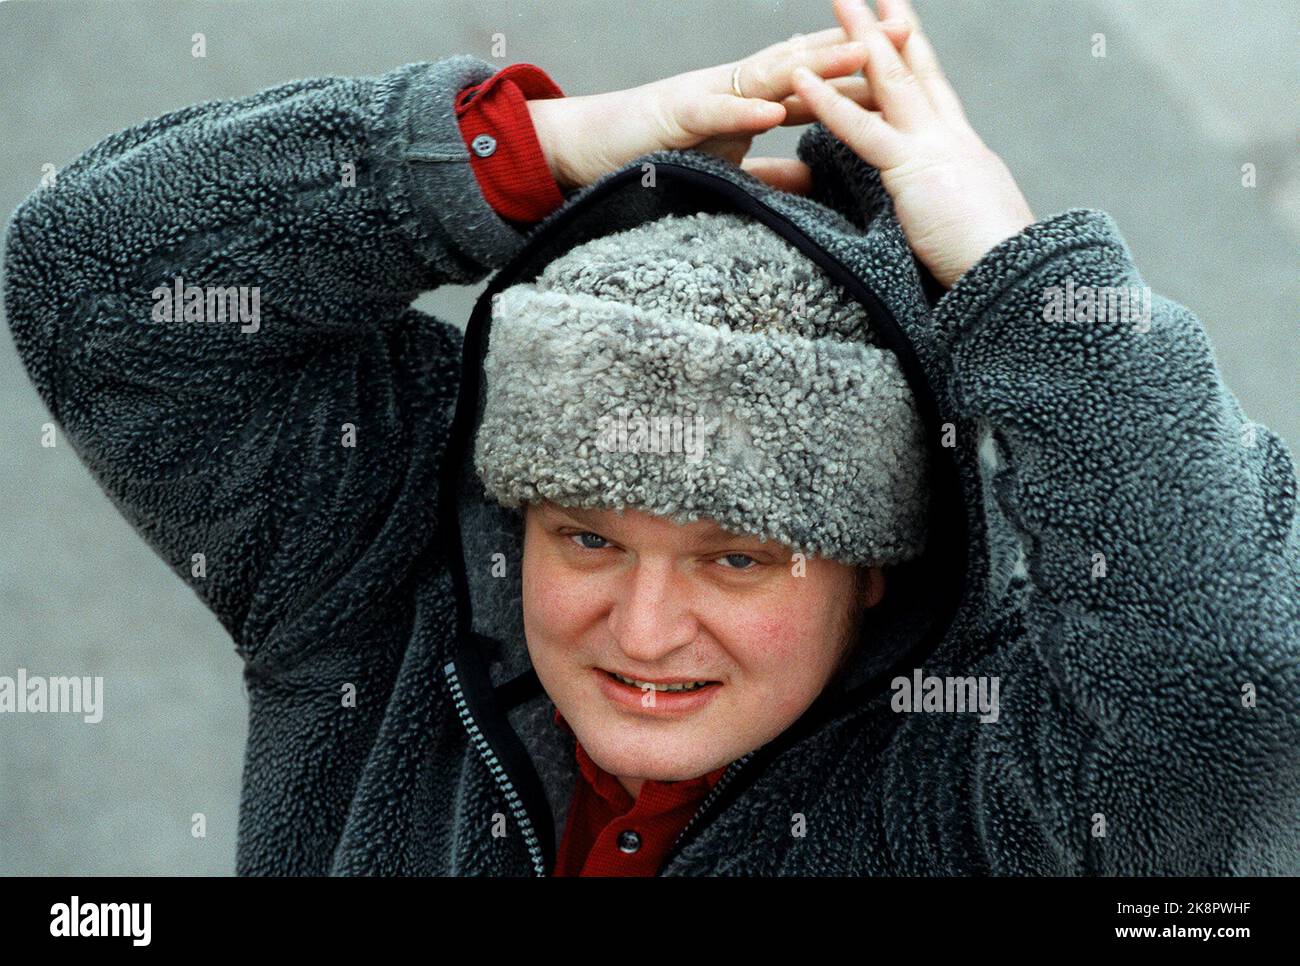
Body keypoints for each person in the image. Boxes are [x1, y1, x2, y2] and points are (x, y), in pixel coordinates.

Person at [4, 0, 1297, 877]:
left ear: (874, 567)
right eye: (586, 533)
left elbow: (1229, 693)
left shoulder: (963, 796)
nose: (639, 631)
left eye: (736, 558)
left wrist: (1025, 283)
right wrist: (547, 155)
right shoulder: (385, 607)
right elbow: (97, 283)